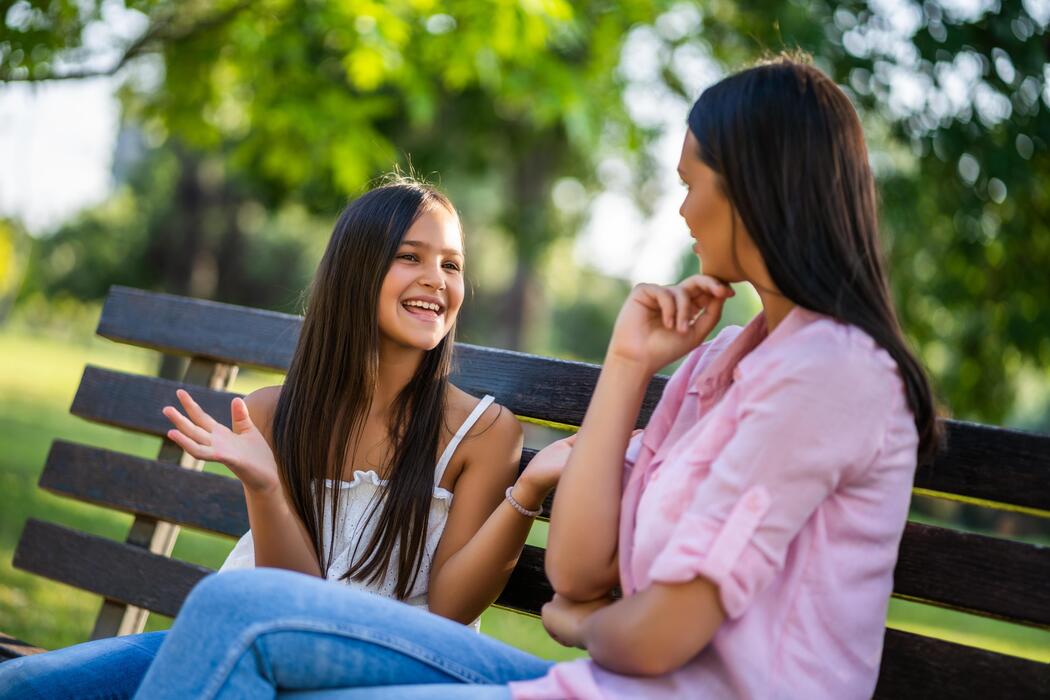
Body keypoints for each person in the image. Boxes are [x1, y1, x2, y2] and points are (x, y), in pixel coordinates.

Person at [0, 179, 573, 699]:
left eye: (452, 264)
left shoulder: (481, 432)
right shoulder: (274, 413)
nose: (436, 279)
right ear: (356, 271)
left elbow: (448, 613)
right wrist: (265, 485)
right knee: (22, 683)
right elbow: (285, 591)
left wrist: (527, 491)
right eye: (410, 257)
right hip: (242, 634)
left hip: (377, 671)